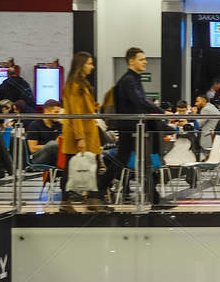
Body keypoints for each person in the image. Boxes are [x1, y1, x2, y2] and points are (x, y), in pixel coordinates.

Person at [112, 47, 172, 209]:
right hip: (131, 128)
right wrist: (162, 112)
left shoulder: (133, 79)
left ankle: (154, 199)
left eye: (145, 59)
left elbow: (140, 102)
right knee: (126, 162)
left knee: (127, 162)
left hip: (134, 128)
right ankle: (154, 199)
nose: (145, 61)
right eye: (141, 59)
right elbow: (140, 101)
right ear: (131, 61)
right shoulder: (129, 80)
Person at [58, 52, 104, 212]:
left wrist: (93, 106)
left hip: (87, 132)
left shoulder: (80, 84)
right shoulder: (74, 85)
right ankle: (66, 202)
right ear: (81, 65)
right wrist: (80, 138)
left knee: (92, 165)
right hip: (81, 134)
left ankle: (91, 199)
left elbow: (83, 107)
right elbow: (75, 113)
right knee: (71, 167)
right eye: (89, 63)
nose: (92, 66)